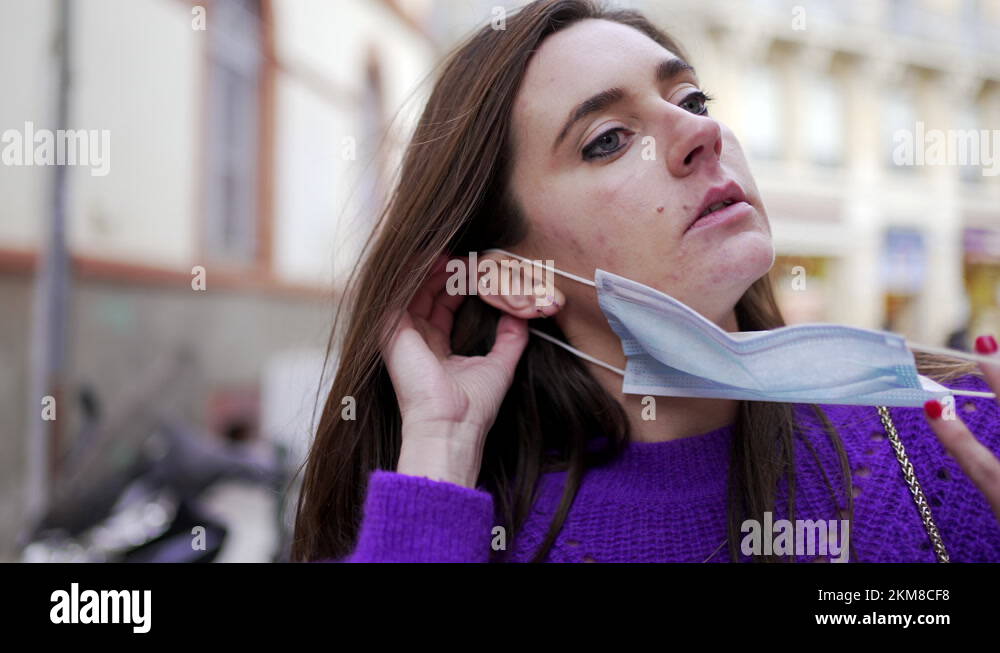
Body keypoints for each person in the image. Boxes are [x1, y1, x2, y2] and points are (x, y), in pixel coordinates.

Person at [292, 0, 1000, 563]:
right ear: (510, 274)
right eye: (608, 139)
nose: (702, 134)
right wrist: (438, 464)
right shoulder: (450, 526)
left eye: (692, 100)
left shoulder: (961, 438)